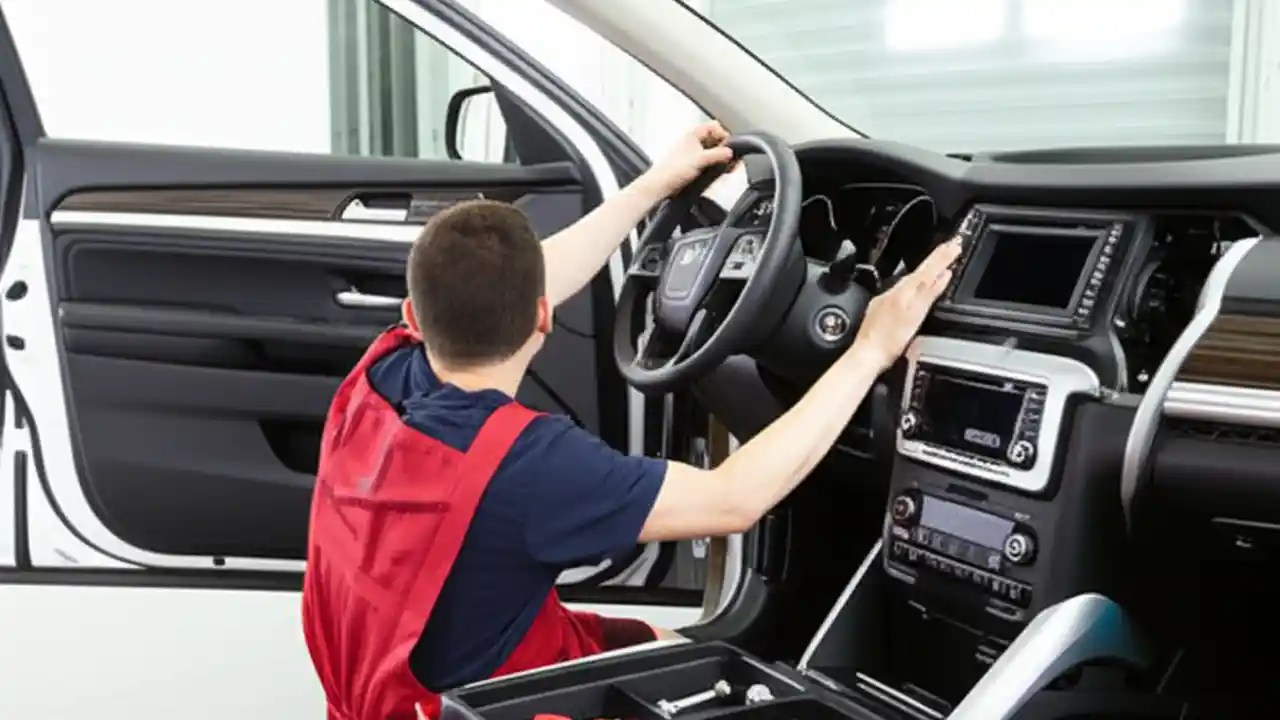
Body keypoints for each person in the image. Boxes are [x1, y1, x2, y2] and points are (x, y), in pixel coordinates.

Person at [300, 120, 961, 720]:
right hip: (477, 703)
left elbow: (528, 278)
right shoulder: (528, 463)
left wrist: (653, 186)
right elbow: (733, 500)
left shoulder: (382, 373)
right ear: (542, 318)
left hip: (406, 686)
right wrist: (870, 349)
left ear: (415, 318)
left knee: (665, 646)